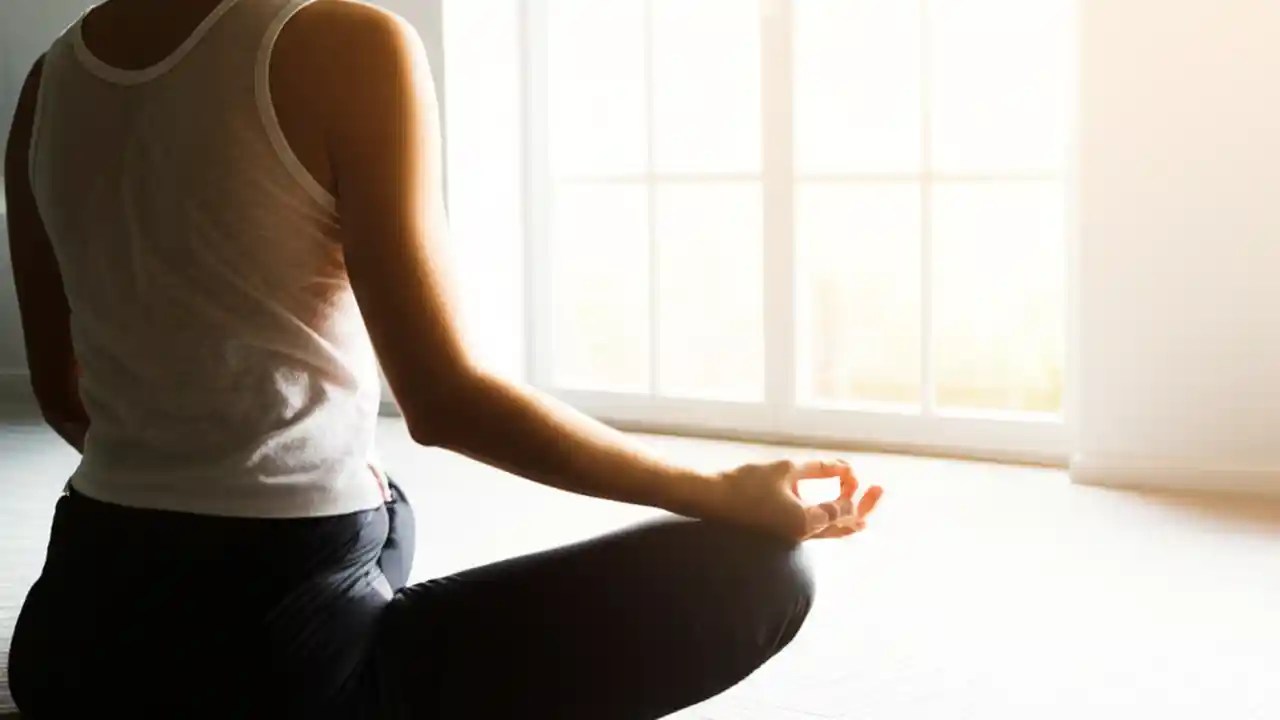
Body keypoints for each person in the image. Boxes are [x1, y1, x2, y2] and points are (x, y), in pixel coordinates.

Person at [3, 0, 884, 717]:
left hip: (72, 642)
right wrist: (717, 490)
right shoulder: (346, 41)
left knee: (391, 511)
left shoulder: (47, 82)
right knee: (764, 575)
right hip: (272, 671)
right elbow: (447, 403)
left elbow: (62, 396)